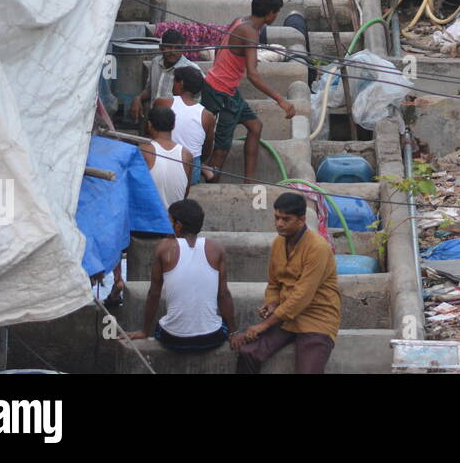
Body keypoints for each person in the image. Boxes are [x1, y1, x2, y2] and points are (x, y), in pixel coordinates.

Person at [232, 191, 341, 374]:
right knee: (247, 352)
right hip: (286, 318)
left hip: (317, 318)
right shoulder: (277, 244)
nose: (279, 224)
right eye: (276, 218)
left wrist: (264, 325)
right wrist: (271, 303)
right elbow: (274, 283)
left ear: (301, 219)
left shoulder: (317, 248)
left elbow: (301, 296)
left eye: (286, 219)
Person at [200, 0, 297, 182]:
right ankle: (211, 188)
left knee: (255, 126)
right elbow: (253, 75)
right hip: (222, 92)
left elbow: (221, 47)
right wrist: (281, 100)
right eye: (276, 12)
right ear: (270, 13)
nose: (277, 15)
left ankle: (249, 181)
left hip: (223, 88)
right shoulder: (250, 32)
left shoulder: (241, 21)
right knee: (221, 148)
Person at [128, 199, 235, 351]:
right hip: (212, 338)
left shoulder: (164, 248)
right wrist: (233, 332)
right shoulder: (216, 248)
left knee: (163, 325)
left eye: (170, 221)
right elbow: (223, 294)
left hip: (173, 339)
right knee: (220, 325)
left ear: (178, 226)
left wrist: (145, 331)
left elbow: (154, 293)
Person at [133, 29, 195, 128]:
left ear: (183, 49)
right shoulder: (155, 63)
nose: (173, 52)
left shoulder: (190, 70)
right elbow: (151, 89)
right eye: (169, 47)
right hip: (154, 121)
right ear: (161, 48)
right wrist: (138, 98)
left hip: (177, 124)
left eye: (177, 48)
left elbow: (198, 101)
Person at [166, 67, 216, 185]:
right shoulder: (207, 116)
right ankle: (204, 169)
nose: (173, 85)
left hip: (167, 163)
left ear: (181, 83)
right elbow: (207, 149)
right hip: (192, 169)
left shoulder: (165, 103)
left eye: (174, 81)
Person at [141, 105, 193, 208]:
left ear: (149, 124)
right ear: (173, 125)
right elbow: (185, 193)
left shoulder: (143, 151)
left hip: (151, 218)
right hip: (175, 220)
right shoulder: (186, 155)